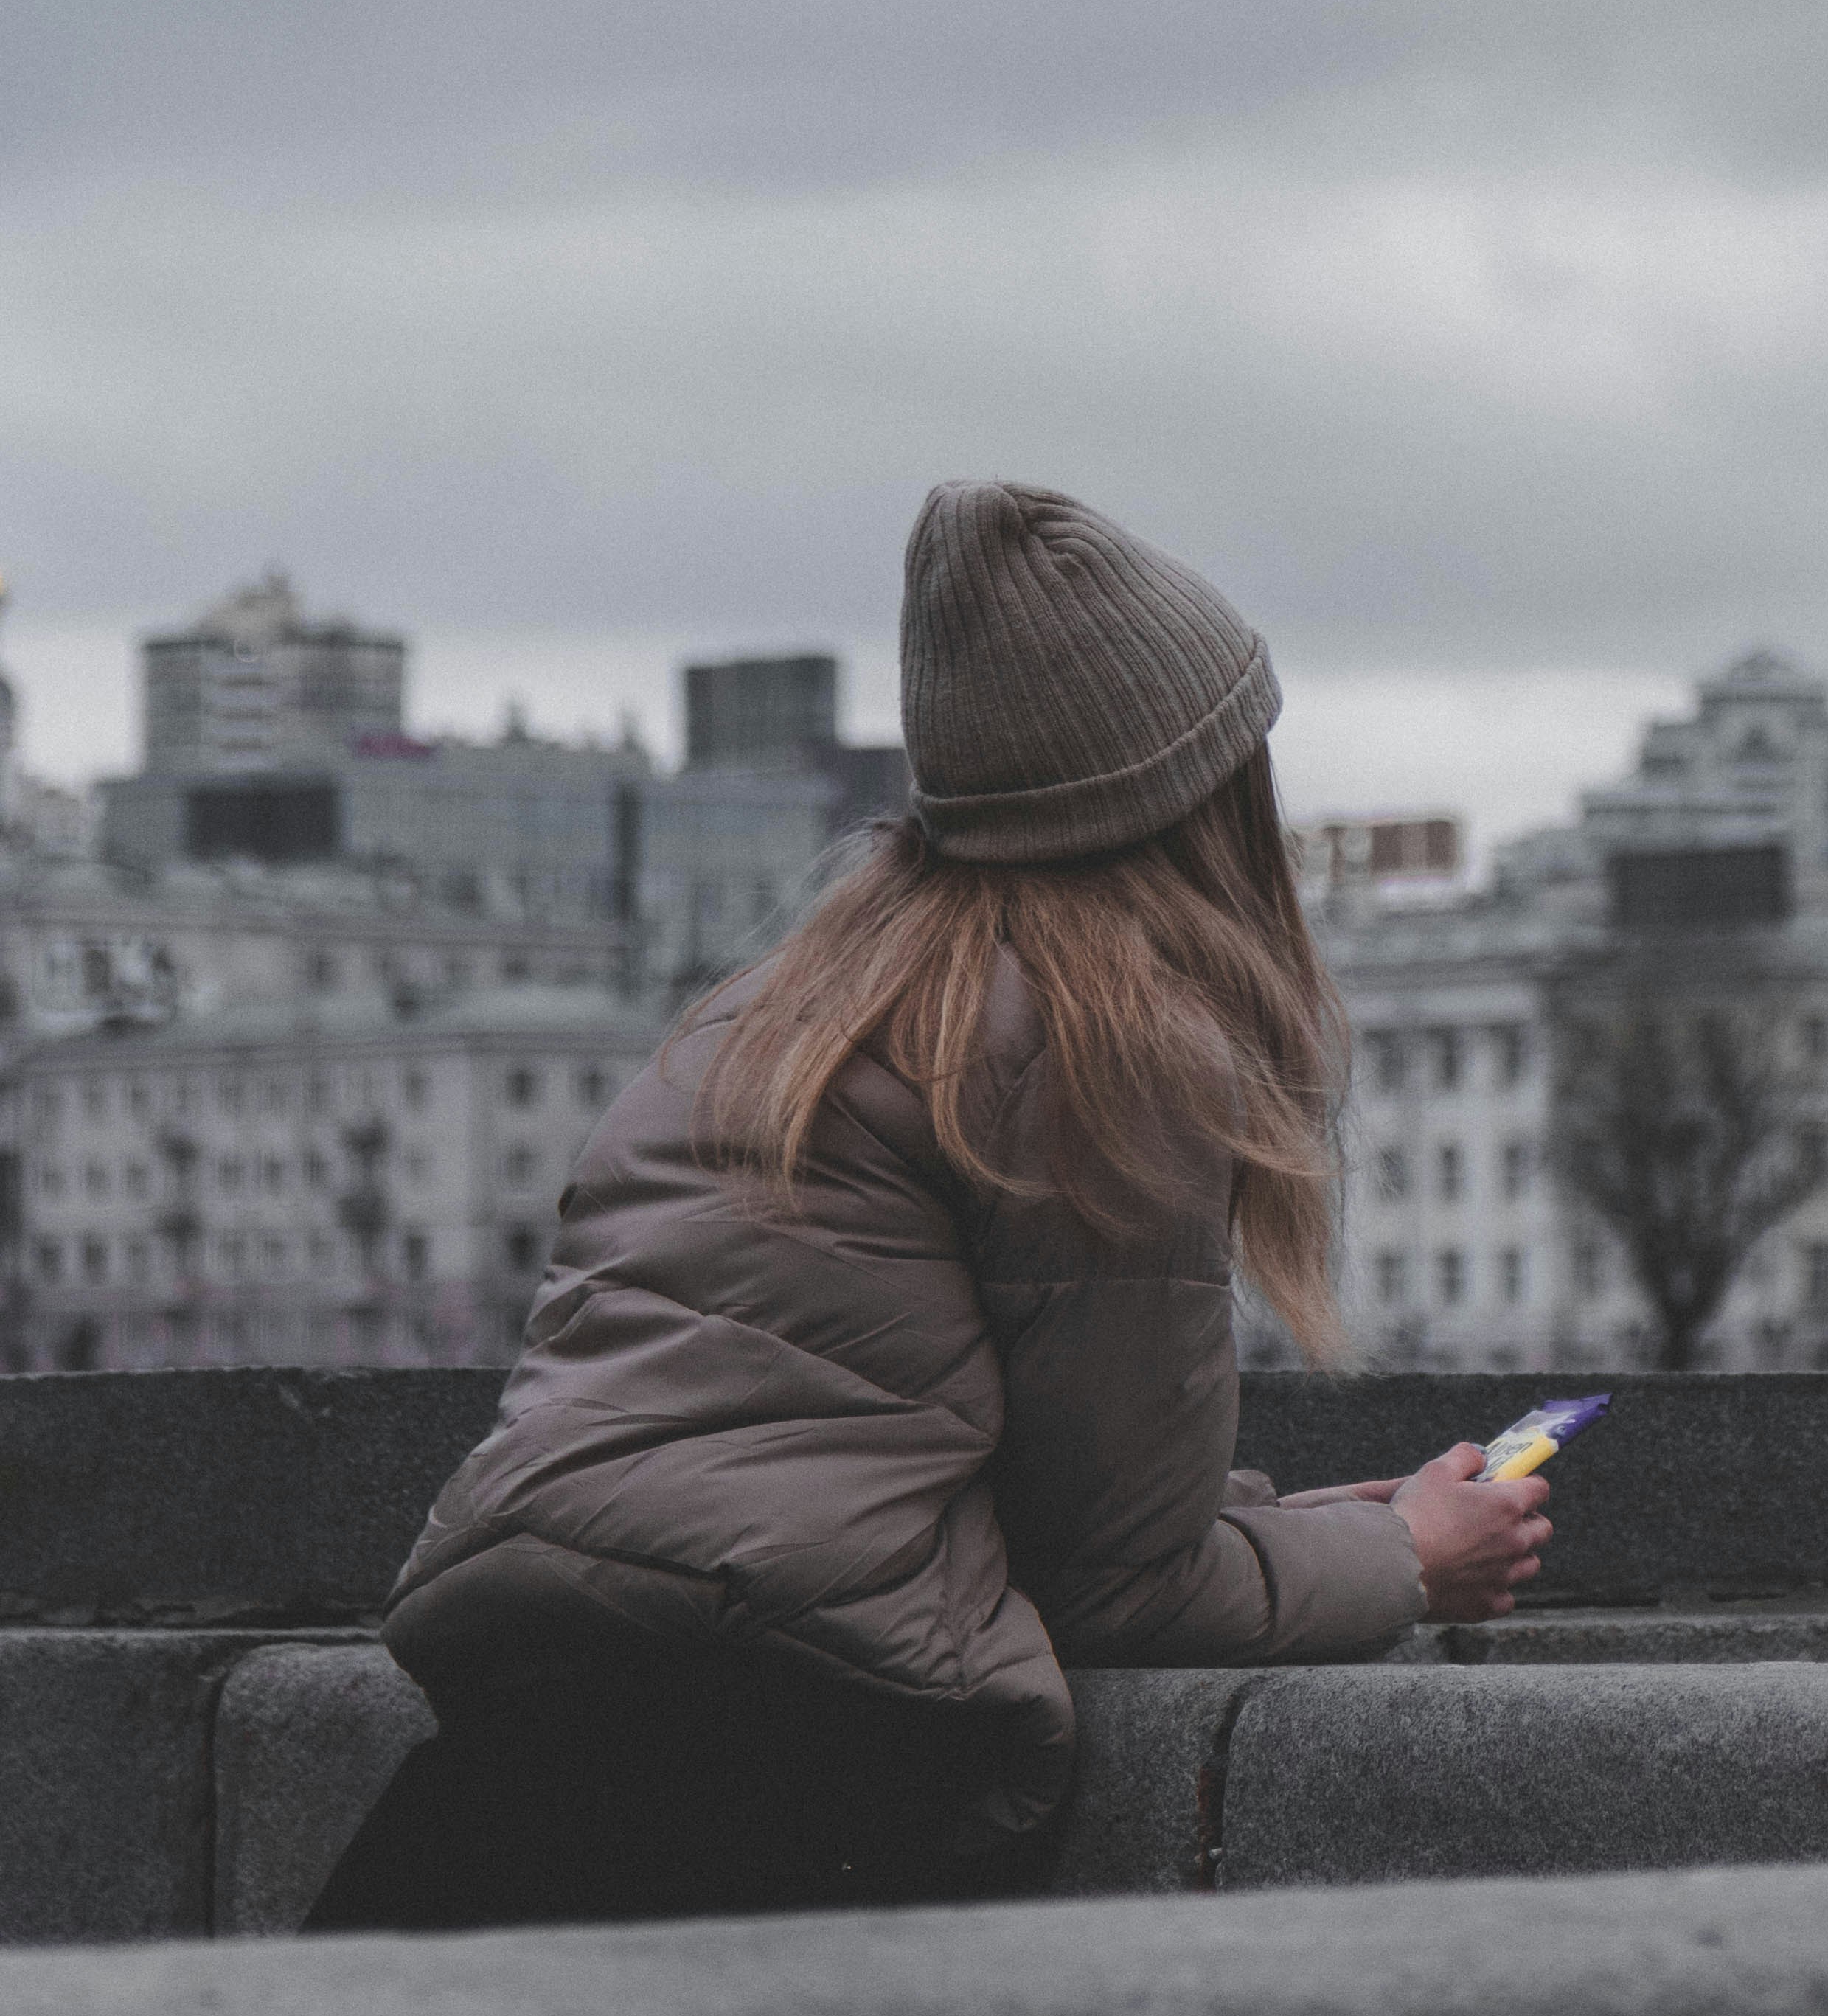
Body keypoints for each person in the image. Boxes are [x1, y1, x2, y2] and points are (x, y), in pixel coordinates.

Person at [306, 479, 1548, 1929]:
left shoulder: (782, 1006)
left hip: (528, 1695)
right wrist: (1407, 1557)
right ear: (1198, 796)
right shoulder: (1104, 1046)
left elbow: (869, 1456)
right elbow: (1117, 1598)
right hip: (800, 1748)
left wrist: (1288, 1528)